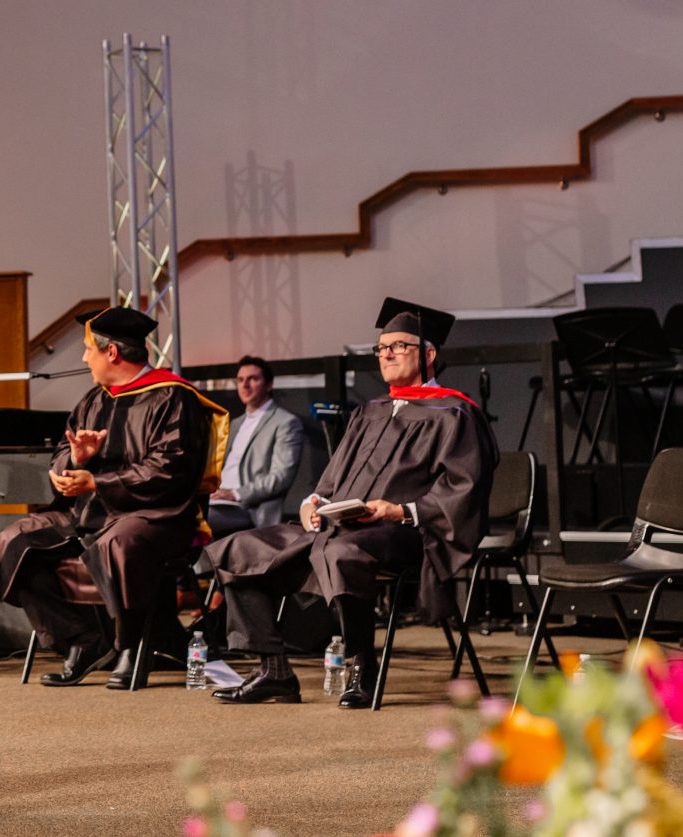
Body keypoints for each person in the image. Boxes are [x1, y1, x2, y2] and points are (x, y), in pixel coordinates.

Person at [206, 298, 494, 709]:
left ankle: (362, 665)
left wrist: (401, 510)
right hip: (341, 525)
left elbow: (465, 487)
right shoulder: (369, 411)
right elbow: (331, 479)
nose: (387, 354)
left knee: (343, 552)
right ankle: (275, 670)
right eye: (382, 348)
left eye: (399, 346)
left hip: (406, 532)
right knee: (237, 548)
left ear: (429, 355)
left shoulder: (454, 413)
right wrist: (313, 502)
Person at [0, 306, 227, 690]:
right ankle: (80, 639)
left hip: (158, 515)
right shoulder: (94, 400)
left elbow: (170, 470)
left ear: (112, 353)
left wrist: (97, 482)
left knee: (118, 541)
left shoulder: (174, 397)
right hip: (88, 512)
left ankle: (131, 646)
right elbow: (61, 453)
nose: (82, 356)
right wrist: (75, 461)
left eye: (88, 348)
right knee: (13, 542)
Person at [206, 357, 307, 537]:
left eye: (253, 379)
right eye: (240, 380)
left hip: (247, 507)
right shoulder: (233, 424)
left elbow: (280, 477)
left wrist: (235, 494)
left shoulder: (285, 423)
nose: (245, 385)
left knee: (191, 520)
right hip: (216, 499)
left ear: (269, 385)